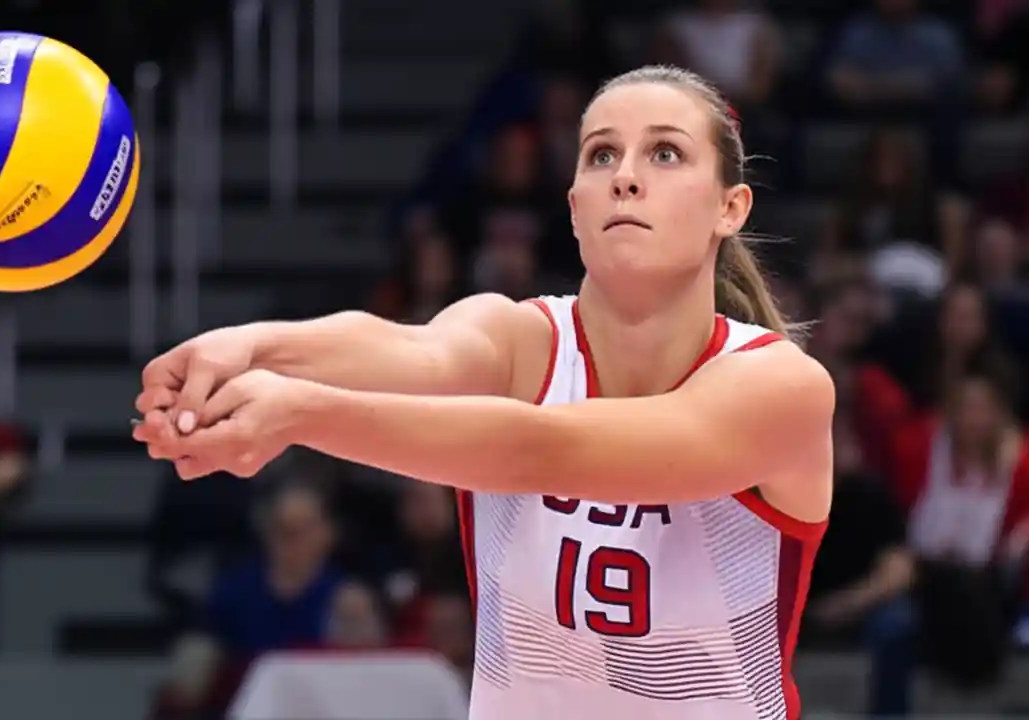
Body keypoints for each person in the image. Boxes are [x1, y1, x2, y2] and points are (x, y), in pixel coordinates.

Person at [135, 65, 834, 719]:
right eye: (600, 155)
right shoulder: (520, 339)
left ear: (730, 207)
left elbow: (541, 450)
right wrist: (251, 346)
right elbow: (408, 348)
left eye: (665, 155)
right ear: (573, 207)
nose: (625, 177)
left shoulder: (779, 386)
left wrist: (300, 411)